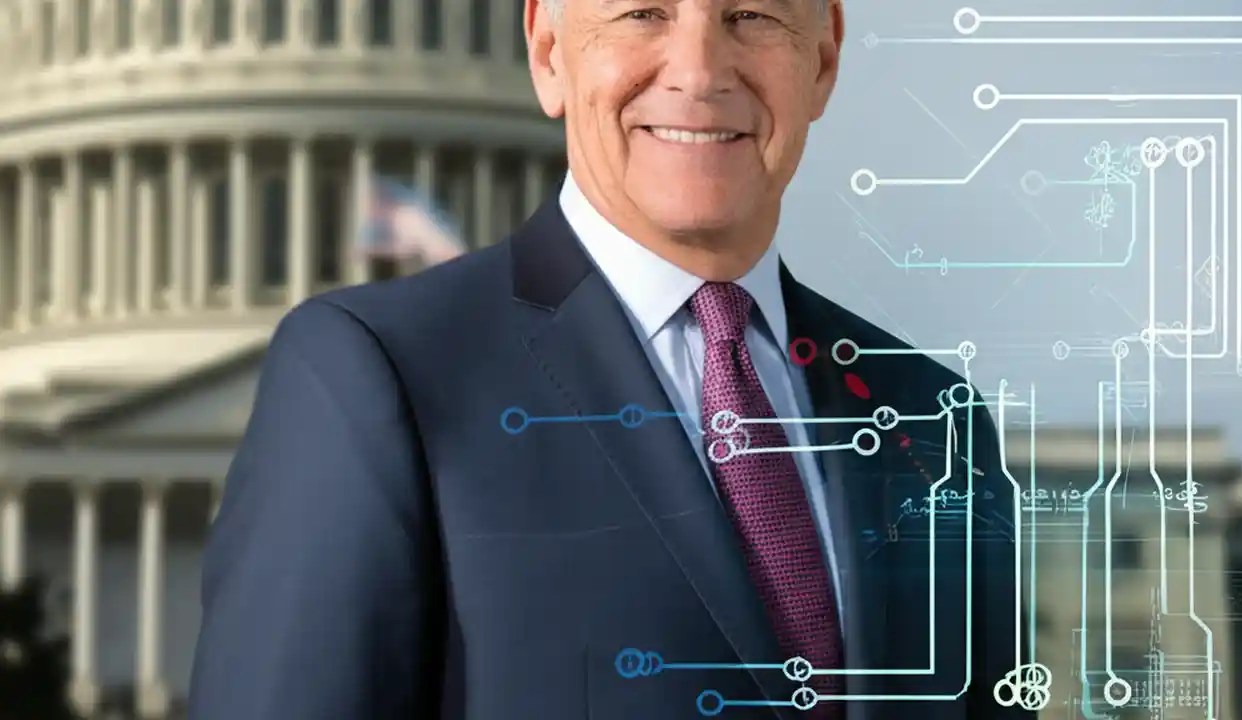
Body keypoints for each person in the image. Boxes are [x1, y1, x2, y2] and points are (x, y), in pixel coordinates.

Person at [188, 1, 1030, 718]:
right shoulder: (380, 378)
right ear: (548, 50)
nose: (699, 72)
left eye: (750, 15)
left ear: (824, 57)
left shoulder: (933, 419)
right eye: (642, 13)